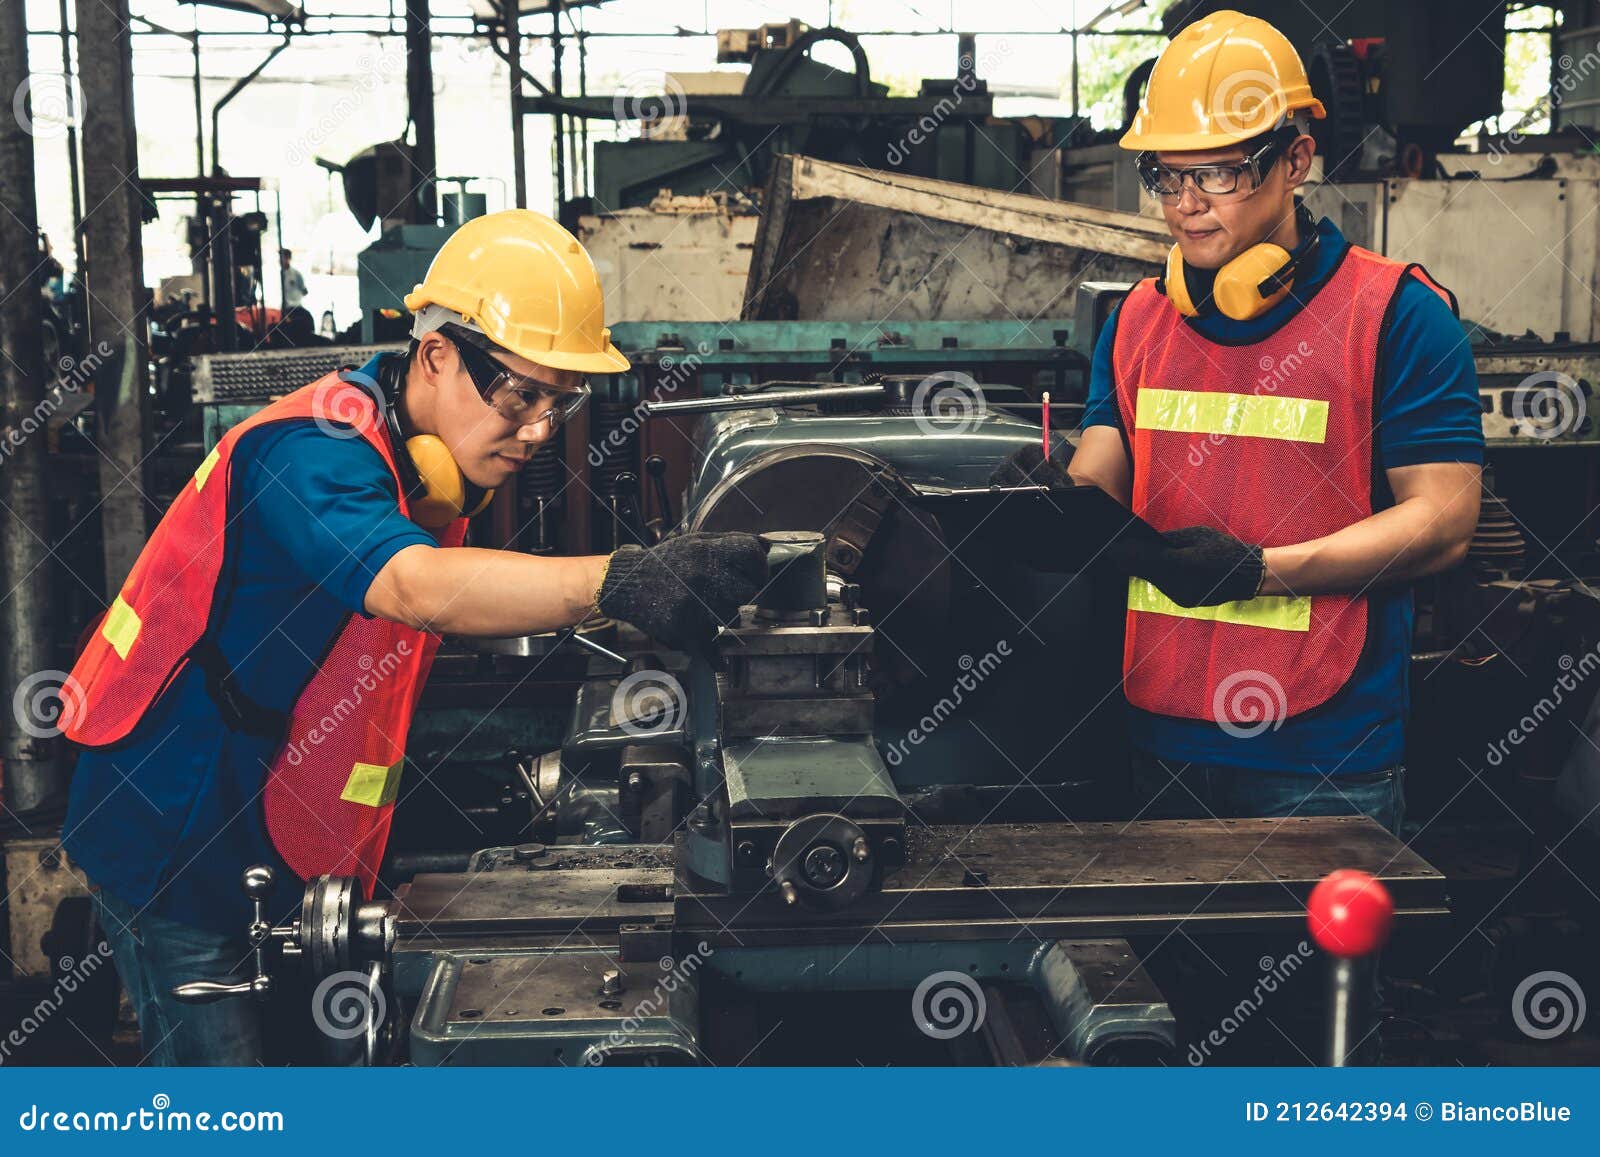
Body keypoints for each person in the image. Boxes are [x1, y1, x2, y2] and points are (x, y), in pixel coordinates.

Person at [58, 209, 767, 1064]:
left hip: (282, 829)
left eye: (560, 400)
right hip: (178, 832)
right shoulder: (311, 451)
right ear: (436, 354)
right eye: (521, 393)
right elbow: (413, 584)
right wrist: (619, 580)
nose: (541, 427)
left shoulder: (418, 460)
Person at [995, 11, 1483, 835]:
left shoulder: (1394, 314)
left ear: (1296, 158)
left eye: (1220, 173)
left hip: (1325, 755)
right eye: (1166, 176)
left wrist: (1258, 571)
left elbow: (1444, 522)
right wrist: (1047, 504)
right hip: (1162, 738)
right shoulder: (1142, 319)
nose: (1186, 207)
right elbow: (1099, 483)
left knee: (1320, 970)